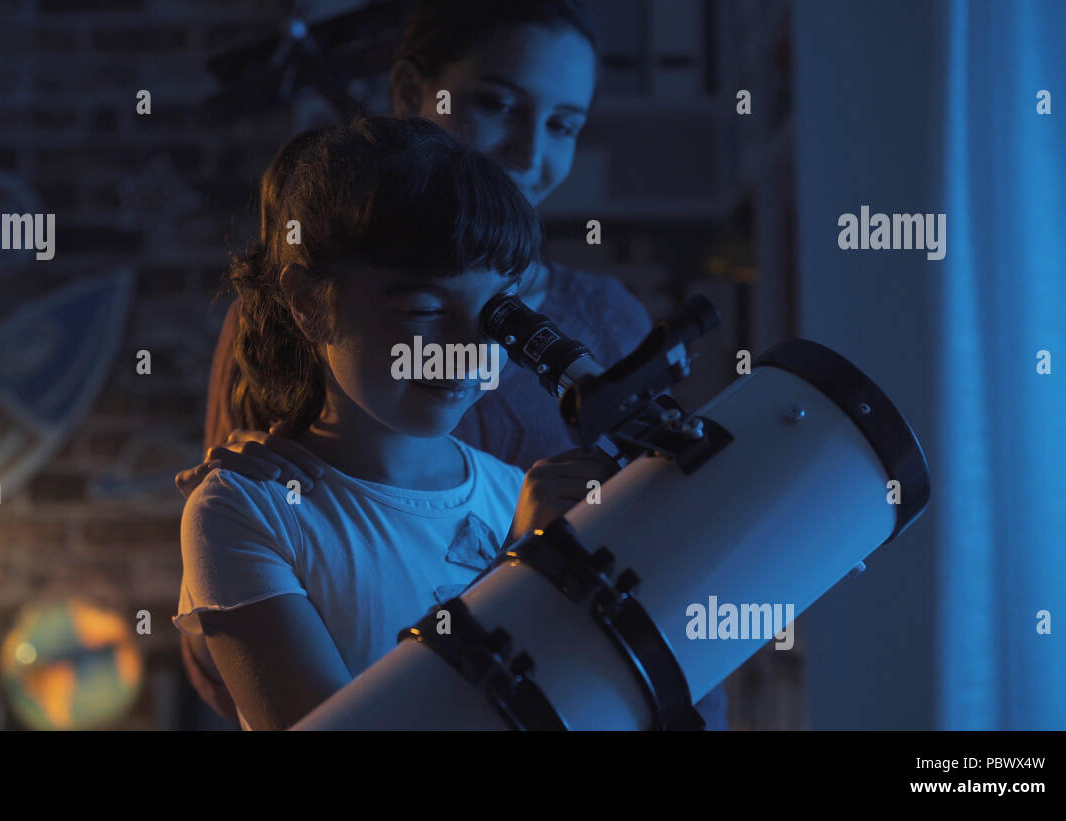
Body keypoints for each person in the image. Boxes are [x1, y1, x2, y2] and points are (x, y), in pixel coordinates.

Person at [178, 0, 729, 730]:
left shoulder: (513, 470)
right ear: (411, 91)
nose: (530, 153)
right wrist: (528, 570)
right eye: (499, 103)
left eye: (564, 123)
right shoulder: (261, 501)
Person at [175, 115, 623, 730]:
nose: (465, 348)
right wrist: (522, 574)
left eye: (495, 316)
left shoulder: (513, 493)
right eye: (424, 310)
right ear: (309, 304)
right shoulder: (246, 513)